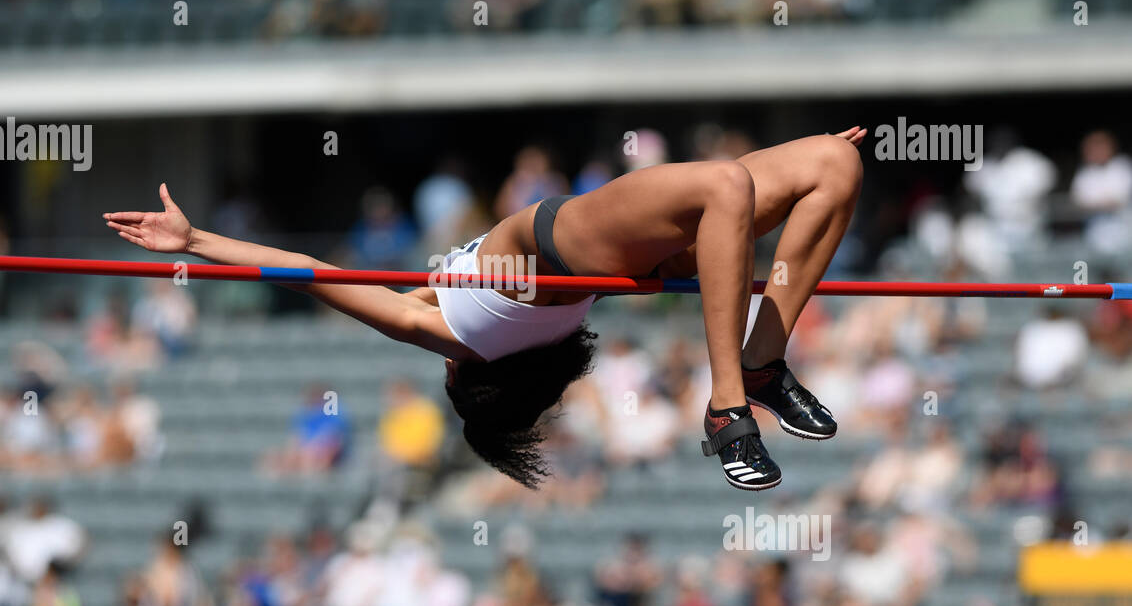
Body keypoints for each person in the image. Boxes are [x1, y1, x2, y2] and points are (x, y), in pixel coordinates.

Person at [104, 128, 865, 491]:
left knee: (835, 164)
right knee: (727, 187)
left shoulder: (469, 320)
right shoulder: (445, 331)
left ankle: (762, 361)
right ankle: (727, 405)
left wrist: (196, 238)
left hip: (615, 253)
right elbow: (306, 270)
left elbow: (315, 271)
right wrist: (194, 237)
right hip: (573, 240)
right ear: (469, 379)